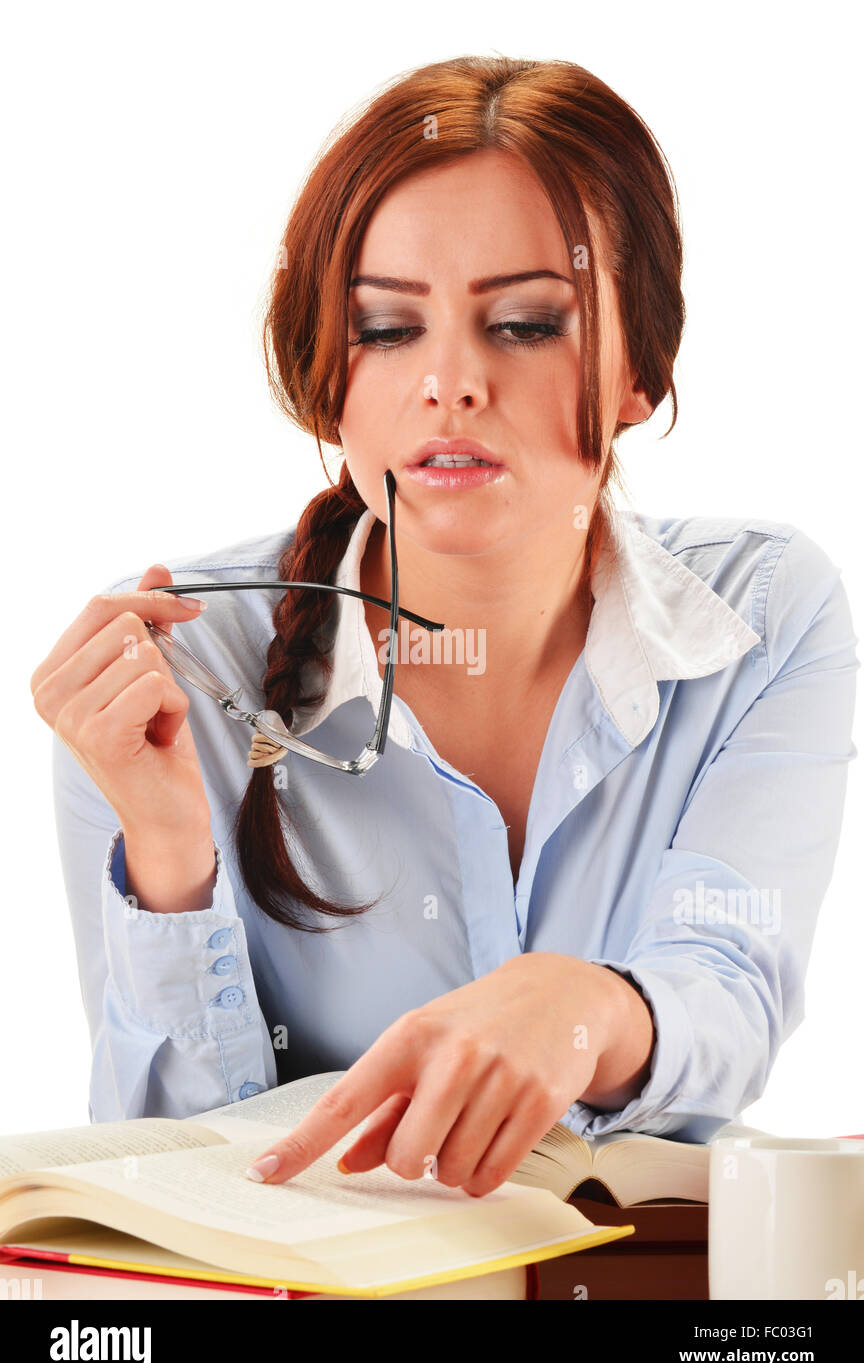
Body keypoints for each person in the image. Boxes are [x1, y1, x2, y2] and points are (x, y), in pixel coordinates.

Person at [31, 56, 858, 1199]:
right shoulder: (171, 676)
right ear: (331, 376)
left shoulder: (764, 618)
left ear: (641, 370)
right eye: (387, 328)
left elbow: (729, 987)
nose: (451, 382)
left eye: (523, 323)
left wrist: (588, 1005)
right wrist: (171, 864)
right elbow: (177, 1192)